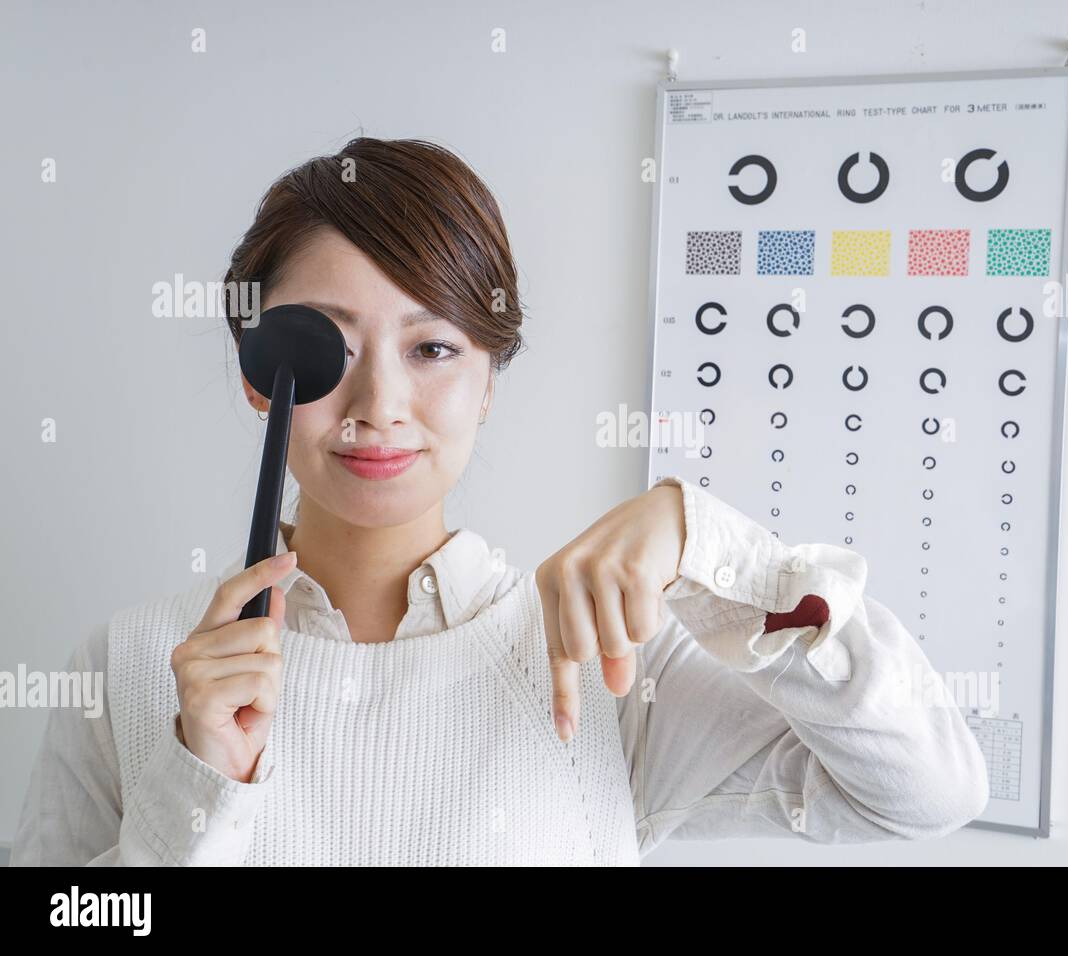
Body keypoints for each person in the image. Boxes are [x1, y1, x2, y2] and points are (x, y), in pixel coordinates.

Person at [10, 138, 988, 866]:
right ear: (259, 374)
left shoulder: (598, 664)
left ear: (489, 381)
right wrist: (196, 779)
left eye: (432, 348)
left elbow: (928, 789)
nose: (379, 406)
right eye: (327, 347)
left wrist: (703, 537)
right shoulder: (130, 663)